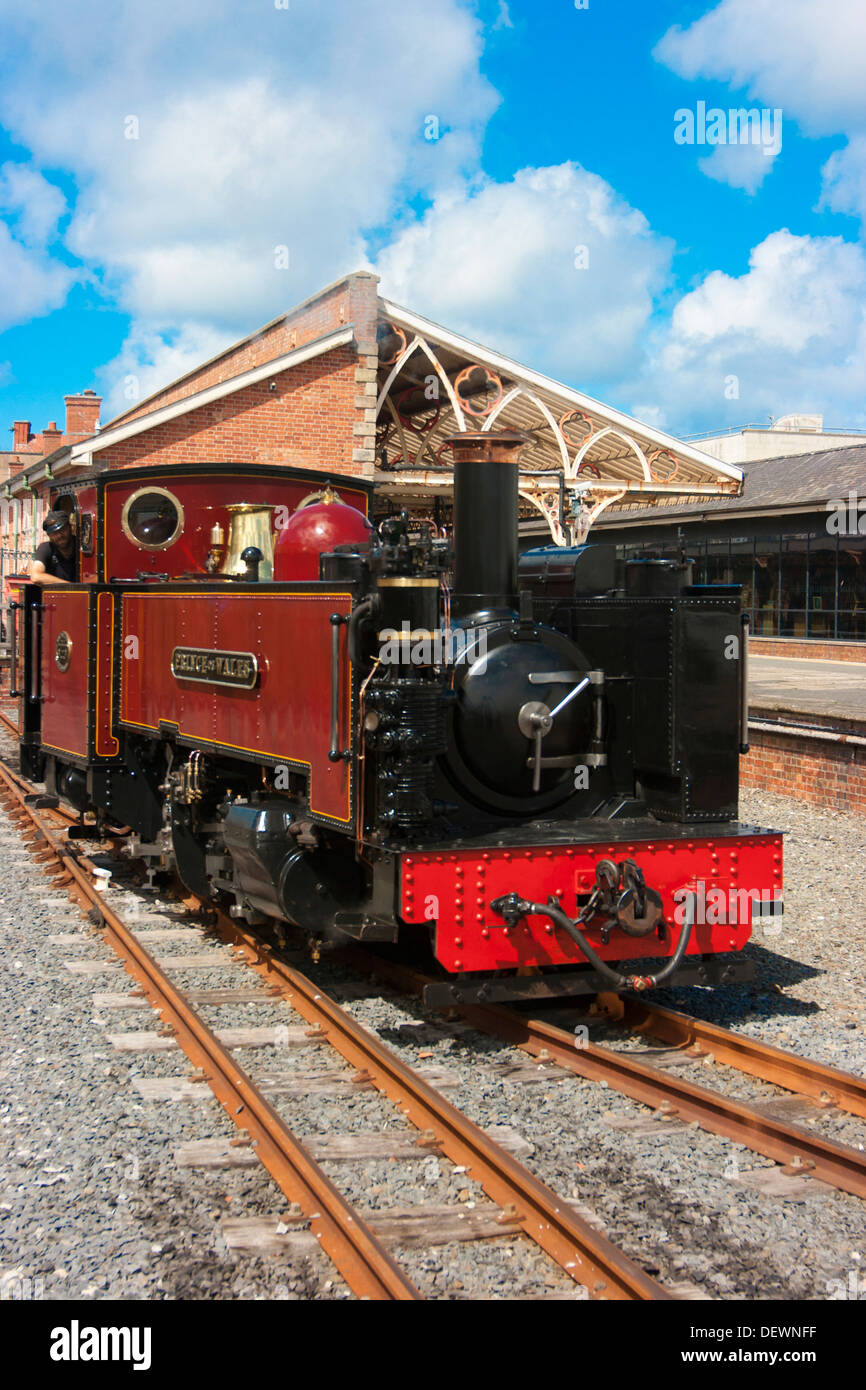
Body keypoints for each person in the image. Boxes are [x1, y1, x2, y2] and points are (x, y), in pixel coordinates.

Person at [31, 510, 78, 585]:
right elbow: (36, 576)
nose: (59, 535)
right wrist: (71, 586)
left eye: (62, 530)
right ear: (49, 536)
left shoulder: (81, 546)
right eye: (54, 533)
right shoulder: (46, 548)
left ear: (70, 528)